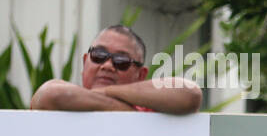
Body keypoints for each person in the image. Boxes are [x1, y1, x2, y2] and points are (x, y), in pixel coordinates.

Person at [29, 26, 201, 114]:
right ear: (85, 61)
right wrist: (128, 114)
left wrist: (105, 92)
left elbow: (190, 95)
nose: (107, 66)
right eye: (99, 55)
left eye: (121, 60)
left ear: (141, 75)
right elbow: (49, 94)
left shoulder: (149, 109)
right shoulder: (65, 99)